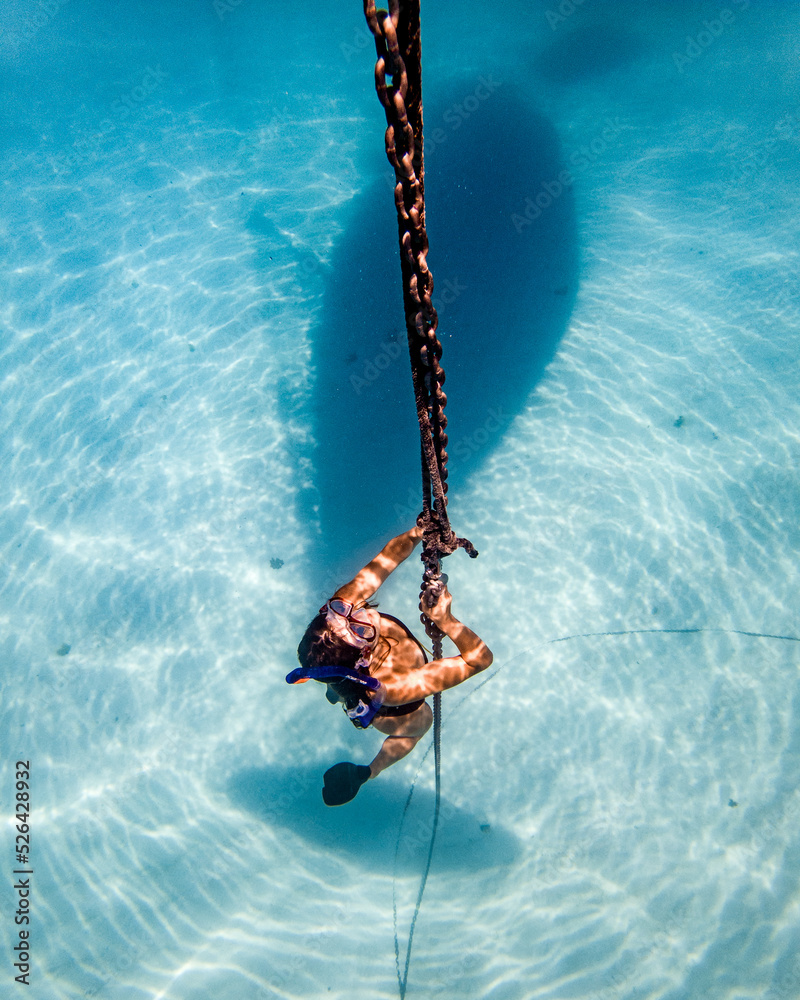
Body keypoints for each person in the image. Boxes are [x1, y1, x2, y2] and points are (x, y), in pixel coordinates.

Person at [289, 524, 493, 806]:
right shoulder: (395, 686)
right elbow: (479, 659)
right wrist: (446, 621)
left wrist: (416, 532)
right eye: (360, 631)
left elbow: (390, 555)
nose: (363, 617)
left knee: (338, 675)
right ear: (362, 660)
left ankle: (335, 687)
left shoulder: (343, 607)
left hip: (349, 676)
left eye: (348, 614)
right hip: (390, 712)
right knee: (421, 725)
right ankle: (368, 772)